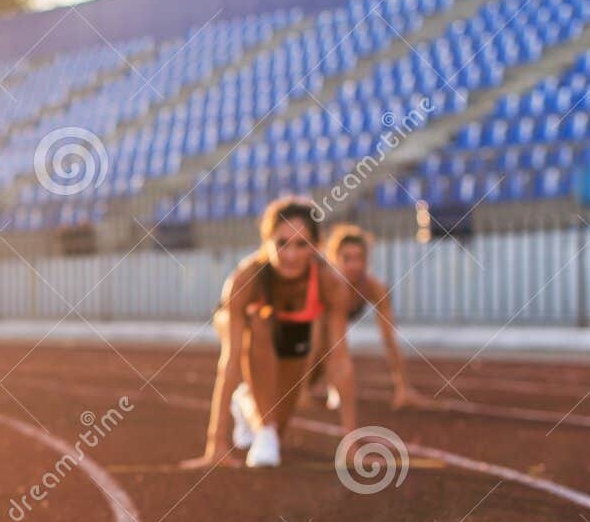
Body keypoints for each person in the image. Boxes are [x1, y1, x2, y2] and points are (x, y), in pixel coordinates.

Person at [180, 196, 359, 469]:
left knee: (279, 423)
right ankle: (262, 427)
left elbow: (340, 361)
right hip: (242, 323)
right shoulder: (245, 278)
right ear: (266, 241)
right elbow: (229, 364)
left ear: (316, 245)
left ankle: (249, 407)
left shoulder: (330, 282)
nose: (290, 254)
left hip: (290, 327)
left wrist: (351, 444)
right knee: (260, 322)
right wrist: (216, 443)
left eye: (302, 244)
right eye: (282, 243)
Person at [306, 225, 427, 412]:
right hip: (310, 323)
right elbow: (328, 344)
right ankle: (307, 388)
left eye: (359, 258)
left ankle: (403, 390)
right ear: (334, 259)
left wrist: (403, 387)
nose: (354, 265)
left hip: (334, 325)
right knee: (319, 348)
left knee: (329, 349)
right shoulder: (329, 286)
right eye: (347, 259)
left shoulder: (375, 287)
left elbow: (389, 339)